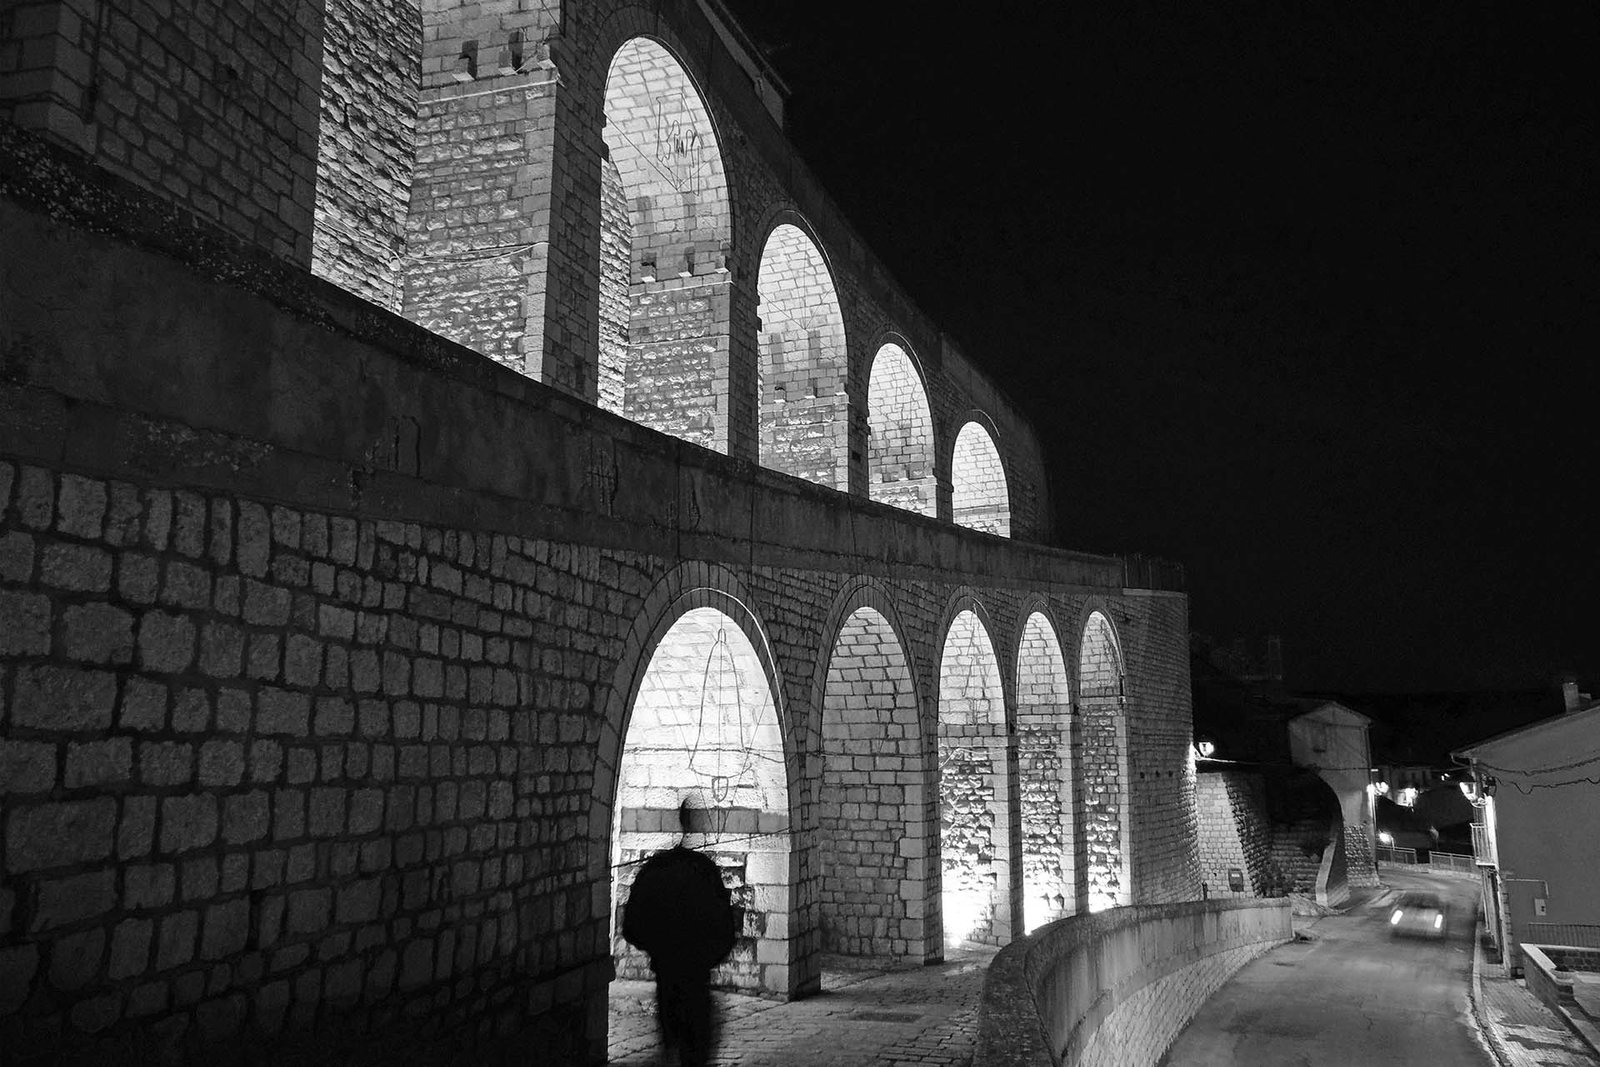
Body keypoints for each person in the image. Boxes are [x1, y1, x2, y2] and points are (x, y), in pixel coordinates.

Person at [621, 801, 739, 1067]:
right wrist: (703, 958)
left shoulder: (656, 868)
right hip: (696, 980)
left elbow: (631, 926)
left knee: (671, 1047)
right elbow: (725, 931)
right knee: (694, 1053)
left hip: (666, 978)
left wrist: (660, 949)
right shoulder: (704, 872)